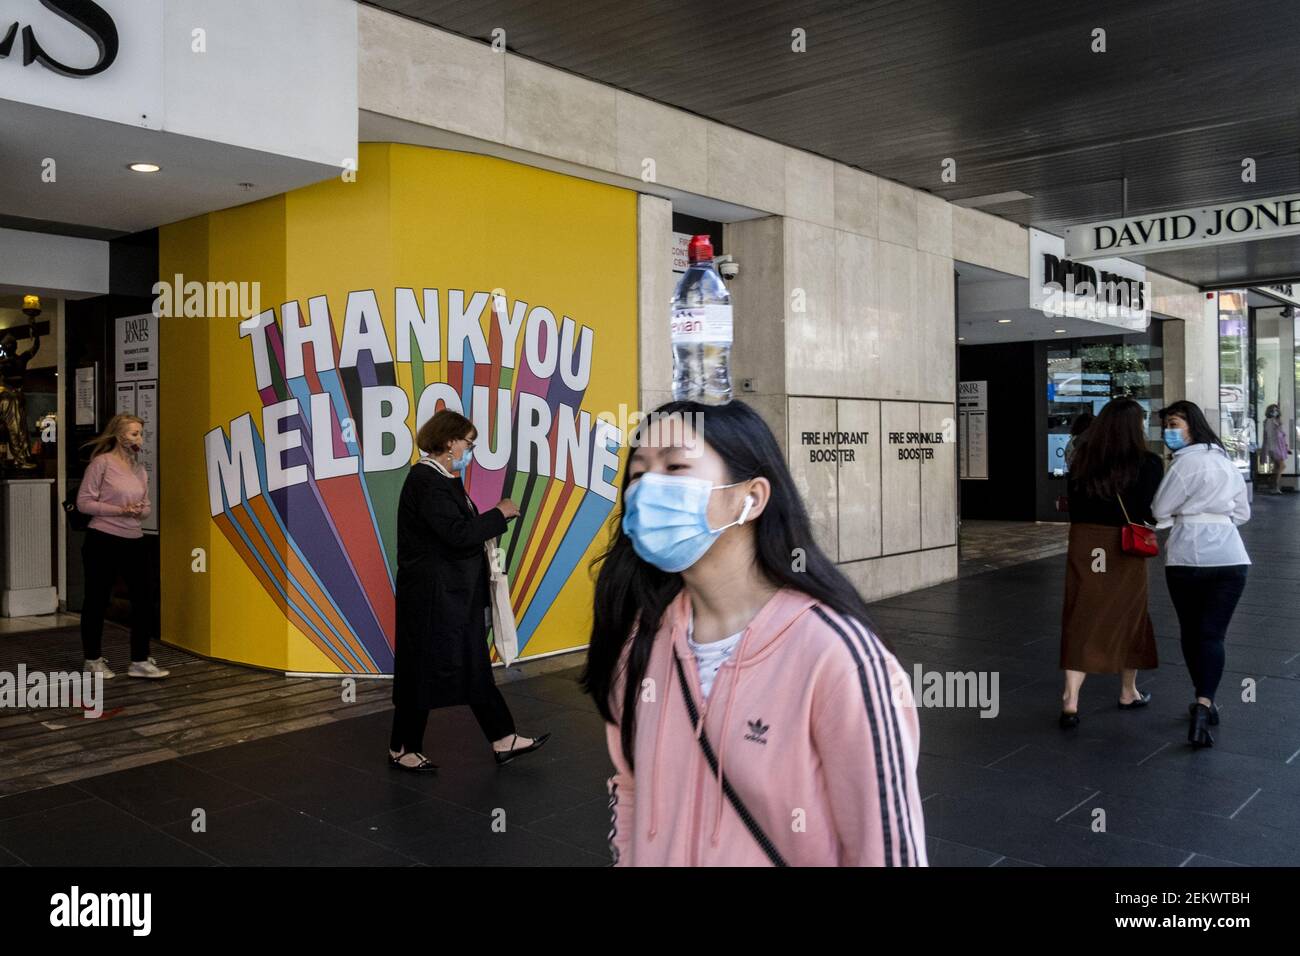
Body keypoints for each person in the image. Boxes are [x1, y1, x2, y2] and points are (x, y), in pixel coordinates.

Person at [582, 400, 926, 866]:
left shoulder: (837, 655)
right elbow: (630, 786)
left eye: (676, 466)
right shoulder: (640, 642)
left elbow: (884, 850)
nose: (647, 489)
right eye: (638, 472)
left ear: (751, 498)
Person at [389, 409, 549, 771]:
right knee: (427, 669)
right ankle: (403, 748)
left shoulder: (439, 480)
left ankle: (502, 738)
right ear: (449, 442)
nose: (470, 450)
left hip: (448, 596)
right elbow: (457, 535)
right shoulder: (426, 481)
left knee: (469, 666)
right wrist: (499, 513)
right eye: (469, 443)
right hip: (434, 599)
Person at [1058, 398, 1163, 727]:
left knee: (1081, 614)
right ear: (1135, 427)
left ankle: (1071, 699)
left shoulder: (1082, 458)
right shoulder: (1147, 462)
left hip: (1085, 543)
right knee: (1129, 616)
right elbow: (1149, 512)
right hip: (1124, 547)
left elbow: (1074, 505)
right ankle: (1127, 691)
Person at [1152, 400, 1251, 748]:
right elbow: (1242, 512)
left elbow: (1159, 509)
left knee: (1192, 633)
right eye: (1166, 424)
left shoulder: (1183, 466)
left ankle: (1202, 701)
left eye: (1174, 423)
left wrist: (1182, 516)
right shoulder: (1226, 462)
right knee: (1212, 636)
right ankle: (1205, 702)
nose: (1169, 430)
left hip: (1187, 557)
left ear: (1192, 424)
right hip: (1231, 556)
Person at [76, 414, 166, 679]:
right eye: (134, 434)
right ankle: (92, 660)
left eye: (140, 433)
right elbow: (84, 503)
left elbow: (147, 505)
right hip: (102, 538)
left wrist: (138, 511)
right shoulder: (101, 463)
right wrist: (119, 510)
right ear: (118, 436)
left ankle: (139, 660)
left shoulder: (139, 470)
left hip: (134, 539)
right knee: (97, 599)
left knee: (145, 598)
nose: (139, 439)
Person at [1260, 403, 1289, 494]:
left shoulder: (1276, 421)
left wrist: (1285, 446)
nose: (1275, 412)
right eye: (1273, 410)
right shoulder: (1270, 421)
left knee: (1277, 467)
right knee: (1281, 465)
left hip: (1278, 447)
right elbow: (1269, 436)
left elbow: (1281, 435)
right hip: (1275, 448)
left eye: (1276, 410)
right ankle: (1274, 485)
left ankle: (1273, 485)